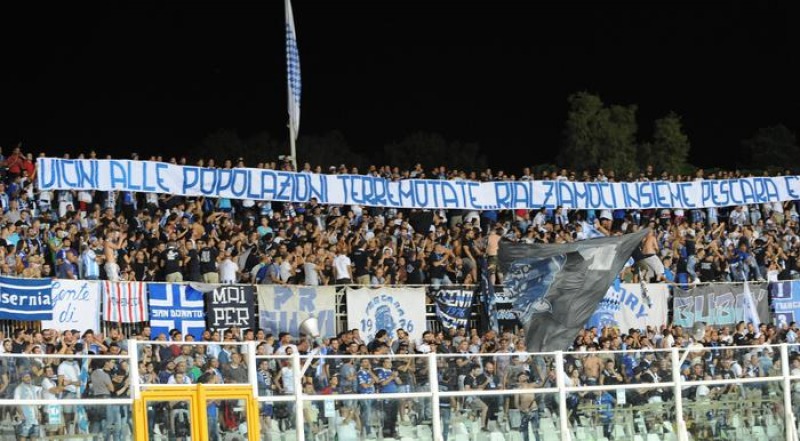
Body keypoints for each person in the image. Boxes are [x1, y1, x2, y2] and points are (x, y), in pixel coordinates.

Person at [515, 370, 540, 441]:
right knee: (525, 432)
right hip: (524, 412)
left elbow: (541, 384)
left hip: (534, 409)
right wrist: (523, 410)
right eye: (521, 376)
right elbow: (516, 404)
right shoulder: (517, 389)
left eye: (524, 375)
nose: (523, 377)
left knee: (535, 430)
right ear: (518, 379)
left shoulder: (532, 385)